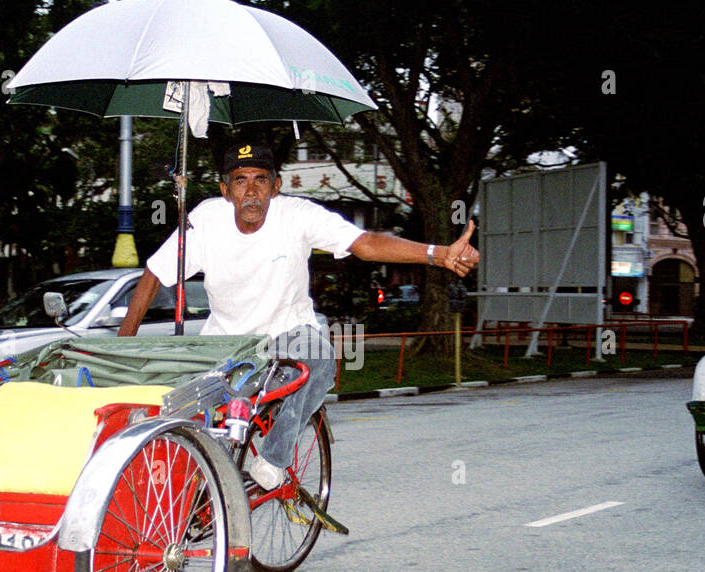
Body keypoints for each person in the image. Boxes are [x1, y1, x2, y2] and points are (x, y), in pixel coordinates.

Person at [118, 141, 479, 490]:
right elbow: (154, 274)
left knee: (320, 358)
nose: (251, 191)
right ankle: (201, 495)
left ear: (276, 187)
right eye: (240, 181)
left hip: (289, 333)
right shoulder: (205, 220)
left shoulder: (298, 216)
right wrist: (123, 346)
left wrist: (439, 253)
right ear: (225, 190)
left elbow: (364, 244)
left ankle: (273, 458)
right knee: (185, 414)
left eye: (261, 180)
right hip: (226, 344)